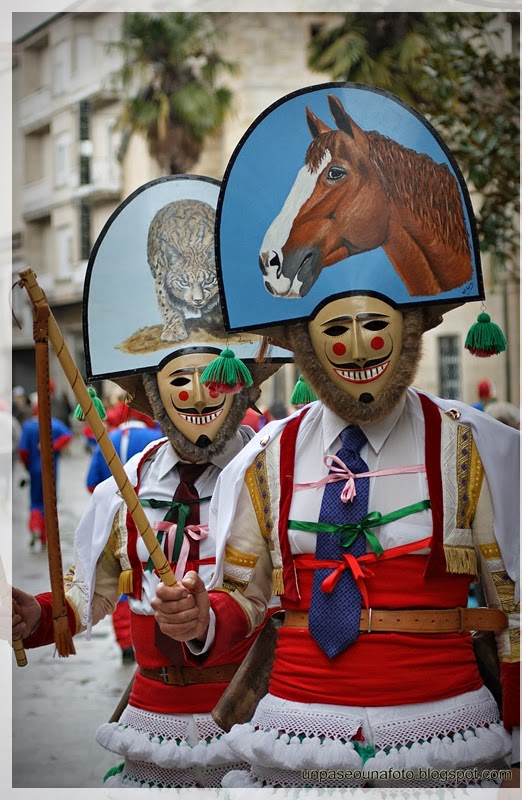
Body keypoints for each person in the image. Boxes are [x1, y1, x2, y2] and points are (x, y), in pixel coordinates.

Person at [151, 85, 522, 789]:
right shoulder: (263, 462)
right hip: (294, 734)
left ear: (411, 331)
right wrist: (198, 617)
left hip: (446, 737)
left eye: (375, 326)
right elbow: (243, 603)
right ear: (305, 347)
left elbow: (520, 615)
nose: (355, 348)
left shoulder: (485, 449)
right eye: (334, 334)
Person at [12, 176, 288, 789]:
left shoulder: (278, 472)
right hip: (153, 720)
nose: (195, 395)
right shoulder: (125, 484)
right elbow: (92, 594)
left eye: (211, 378)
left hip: (255, 718)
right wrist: (37, 614)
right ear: (152, 395)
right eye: (177, 381)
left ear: (241, 383)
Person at [86, 405, 163, 664]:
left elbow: (91, 483)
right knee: (152, 575)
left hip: (114, 519)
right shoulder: (154, 439)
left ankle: (124, 639)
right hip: (152, 521)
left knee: (118, 579)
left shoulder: (109, 440)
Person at [18, 402, 72, 549]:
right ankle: (45, 536)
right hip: (52, 470)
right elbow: (68, 435)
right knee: (49, 501)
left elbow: (23, 450)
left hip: (35, 469)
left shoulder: (28, 427)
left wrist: (27, 465)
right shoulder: (54, 424)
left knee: (35, 501)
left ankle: (36, 527)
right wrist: (53, 446)